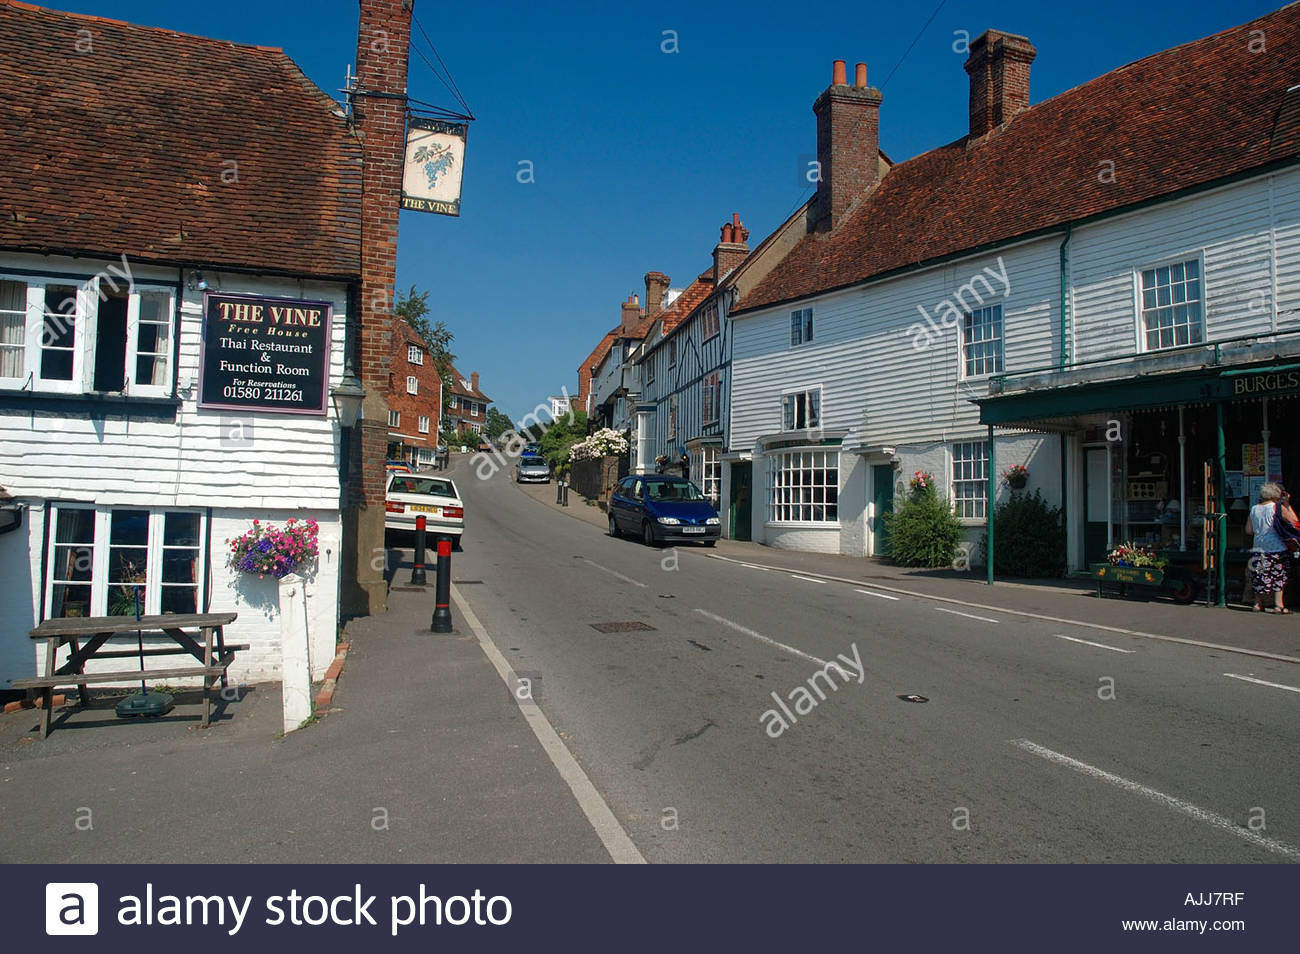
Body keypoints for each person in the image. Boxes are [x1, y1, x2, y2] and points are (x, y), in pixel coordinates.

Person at [1245, 482, 1292, 613]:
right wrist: (1287, 504)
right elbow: (1294, 521)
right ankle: (1278, 605)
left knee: (1259, 575)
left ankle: (1258, 604)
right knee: (1279, 576)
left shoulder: (1254, 509)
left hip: (1259, 547)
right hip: (1276, 546)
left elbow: (1249, 530)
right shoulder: (1277, 508)